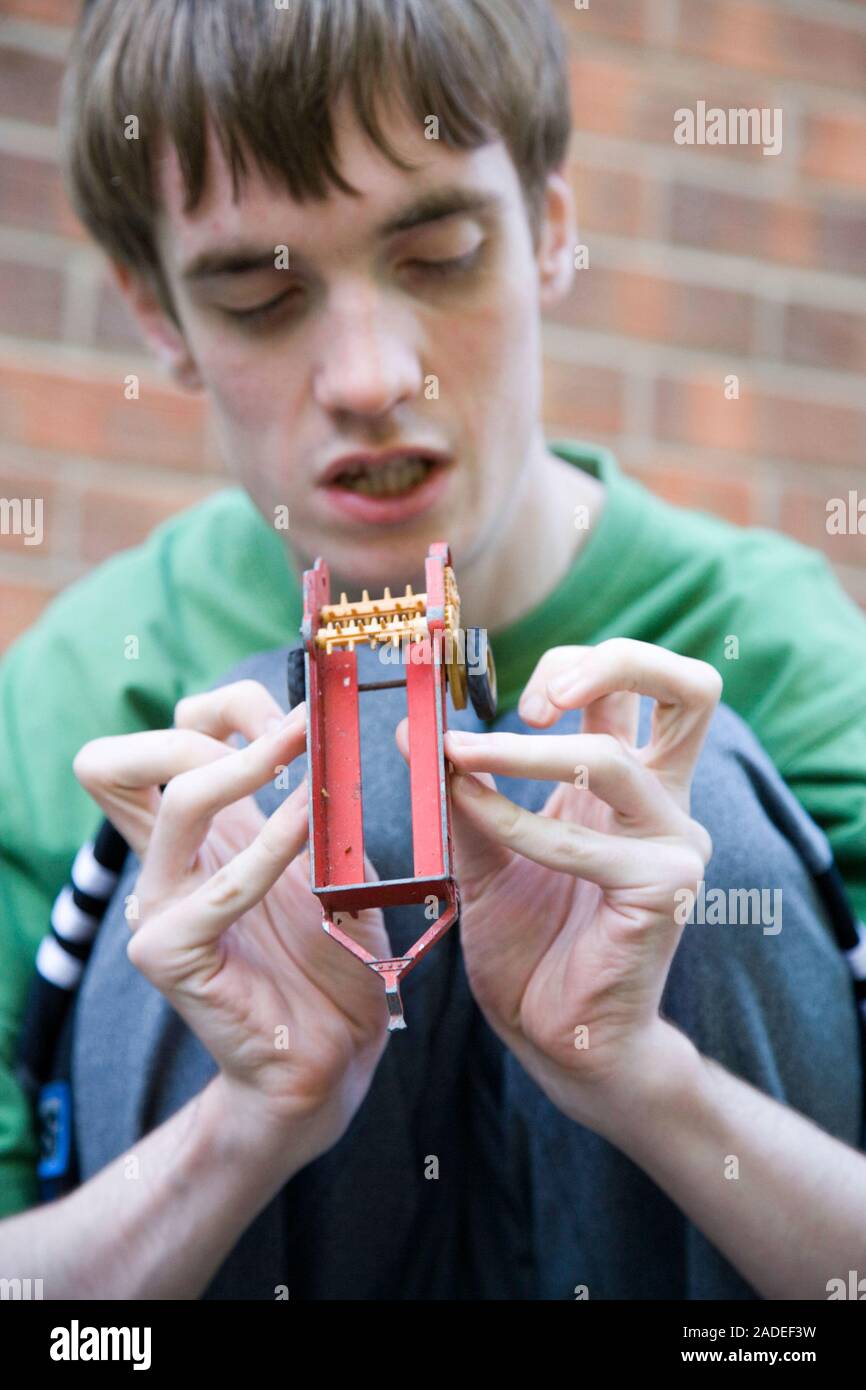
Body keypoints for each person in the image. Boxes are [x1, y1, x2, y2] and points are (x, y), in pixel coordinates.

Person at [0, 0, 863, 1296]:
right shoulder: (82, 693)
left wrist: (654, 1082)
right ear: (157, 313)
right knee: (265, 781)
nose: (368, 372)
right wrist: (249, 1122)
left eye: (440, 252)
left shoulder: (781, 651)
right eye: (260, 292)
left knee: (703, 812)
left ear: (551, 230)